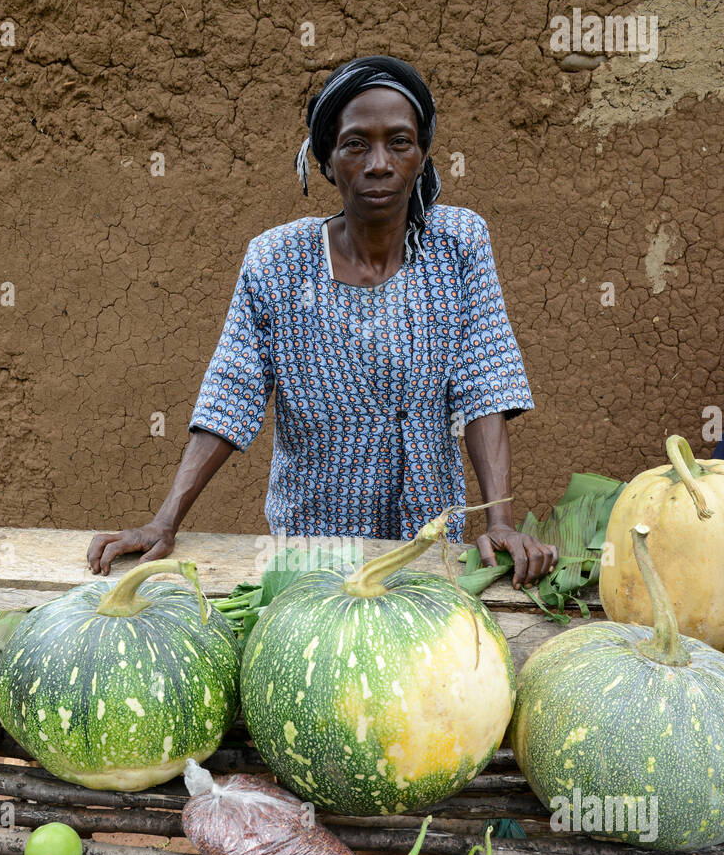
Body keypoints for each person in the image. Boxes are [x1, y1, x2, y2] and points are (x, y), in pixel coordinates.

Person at [88, 55, 557, 588]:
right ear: (327, 160)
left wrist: (498, 522)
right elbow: (230, 393)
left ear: (422, 156)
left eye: (399, 142)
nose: (379, 163)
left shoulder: (458, 245)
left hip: (427, 551)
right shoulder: (277, 261)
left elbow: (485, 384)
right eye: (356, 144)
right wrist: (165, 520)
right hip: (313, 555)